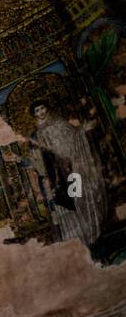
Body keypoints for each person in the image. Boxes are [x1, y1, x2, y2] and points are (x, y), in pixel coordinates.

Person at [29, 102, 107, 247]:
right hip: (56, 173)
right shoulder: (35, 135)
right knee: (65, 201)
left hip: (72, 166)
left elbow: (75, 136)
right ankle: (78, 240)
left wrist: (83, 130)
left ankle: (92, 232)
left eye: (42, 108)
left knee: (81, 195)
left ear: (47, 108)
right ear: (34, 114)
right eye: (37, 110)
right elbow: (36, 158)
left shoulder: (60, 123)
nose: (41, 112)